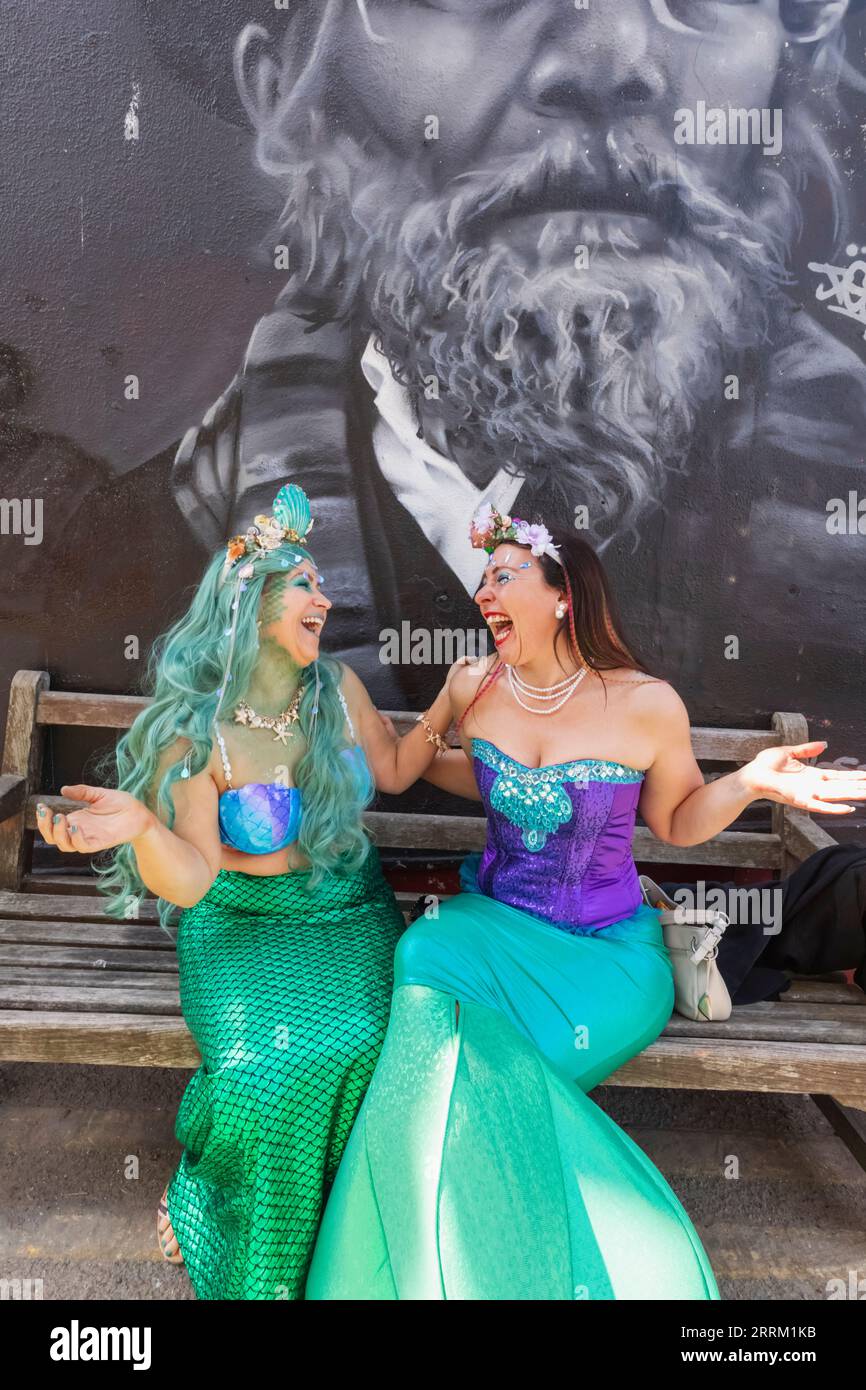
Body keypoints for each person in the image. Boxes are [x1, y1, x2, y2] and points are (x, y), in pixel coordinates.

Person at [306, 503, 866, 1300]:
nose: (484, 593)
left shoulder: (644, 702)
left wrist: (747, 782)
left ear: (561, 593)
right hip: (490, 930)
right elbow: (421, 772)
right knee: (422, 950)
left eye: (504, 576)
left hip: (605, 959)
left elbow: (673, 820)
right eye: (482, 580)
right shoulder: (479, 691)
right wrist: (395, 700)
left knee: (450, 1084)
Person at [33, 482, 457, 1301]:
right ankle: (219, 1214)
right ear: (249, 602)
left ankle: (353, 1251)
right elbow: (192, 880)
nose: (325, 600)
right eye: (306, 585)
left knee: (371, 1044)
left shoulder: (338, 692)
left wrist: (451, 703)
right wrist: (145, 831)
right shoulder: (194, 730)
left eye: (322, 585)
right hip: (239, 923)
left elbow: (400, 768)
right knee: (262, 1069)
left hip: (344, 912)